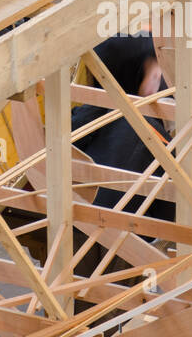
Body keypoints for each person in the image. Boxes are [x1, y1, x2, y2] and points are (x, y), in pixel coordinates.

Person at [72, 33, 176, 224]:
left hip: (75, 224)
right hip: (128, 239)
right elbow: (171, 213)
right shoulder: (156, 137)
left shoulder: (86, 119)